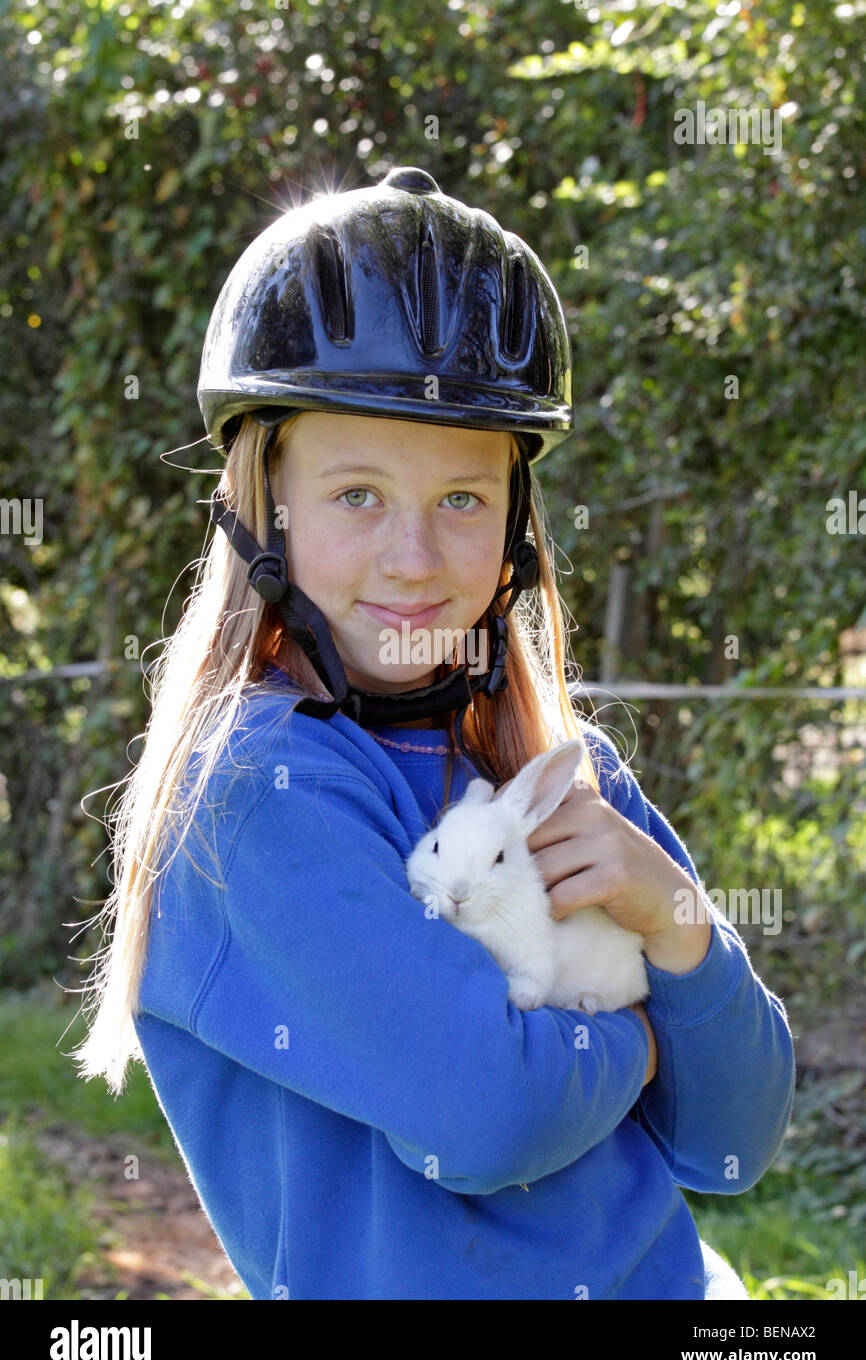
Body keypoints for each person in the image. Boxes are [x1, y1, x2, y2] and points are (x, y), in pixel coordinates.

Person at [72, 167, 794, 1300]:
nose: (413, 558)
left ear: (514, 526)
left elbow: (735, 1138)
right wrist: (641, 1035)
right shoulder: (253, 791)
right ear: (264, 511)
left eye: (461, 499)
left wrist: (675, 920)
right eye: (356, 493)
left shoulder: (552, 770)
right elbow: (489, 1116)